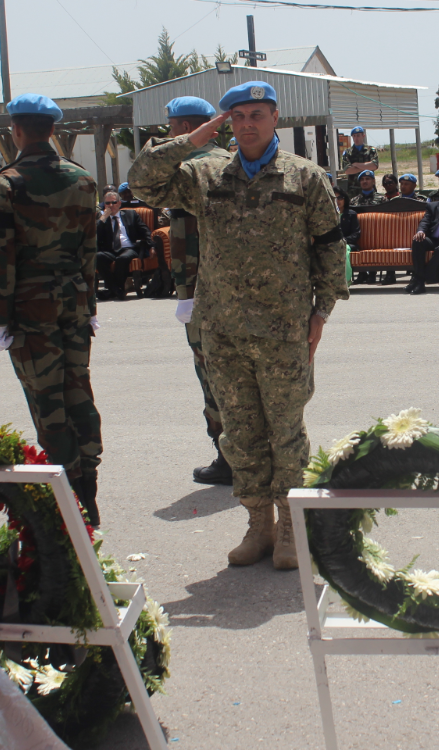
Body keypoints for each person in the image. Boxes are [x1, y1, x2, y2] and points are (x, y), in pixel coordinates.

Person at [127, 79, 348, 570]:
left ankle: (291, 525)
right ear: (226, 123)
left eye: (257, 115)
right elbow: (142, 182)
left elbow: (331, 246)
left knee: (285, 432)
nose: (248, 124)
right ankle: (258, 524)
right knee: (240, 434)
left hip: (284, 329)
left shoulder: (304, 176)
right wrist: (189, 141)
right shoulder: (204, 174)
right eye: (238, 117)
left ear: (275, 118)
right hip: (222, 330)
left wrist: (322, 312)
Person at [0, 93, 104, 525]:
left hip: (30, 307)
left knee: (46, 398)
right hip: (74, 301)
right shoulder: (82, 179)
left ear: (16, 131)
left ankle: (69, 494)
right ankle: (88, 482)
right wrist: (89, 303)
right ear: (52, 130)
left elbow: (1, 255)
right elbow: (89, 249)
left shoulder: (7, 183)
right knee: (78, 389)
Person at [139, 96, 229, 486]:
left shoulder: (188, 167)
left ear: (184, 128)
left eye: (172, 127)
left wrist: (186, 293)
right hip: (229, 284)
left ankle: (228, 457)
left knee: (211, 372)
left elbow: (143, 180)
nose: (168, 134)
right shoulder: (229, 161)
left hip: (200, 287)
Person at [96, 191, 151, 300]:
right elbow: (93, 234)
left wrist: (151, 246)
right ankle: (117, 290)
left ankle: (113, 291)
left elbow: (145, 231)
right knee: (98, 256)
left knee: (123, 258)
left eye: (114, 202)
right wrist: (103, 218)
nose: (111, 205)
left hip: (128, 248)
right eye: (107, 203)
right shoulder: (102, 219)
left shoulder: (131, 214)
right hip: (110, 250)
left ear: (119, 203)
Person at [348, 170, 383, 284]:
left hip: (376, 231)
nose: (365, 181)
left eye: (367, 179)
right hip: (359, 231)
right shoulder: (354, 200)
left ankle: (372, 274)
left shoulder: (381, 199)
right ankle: (362, 274)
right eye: (362, 180)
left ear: (373, 181)